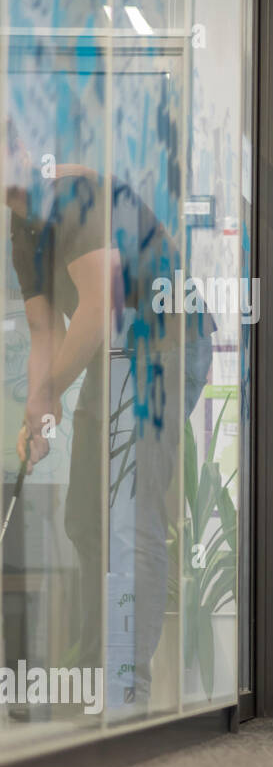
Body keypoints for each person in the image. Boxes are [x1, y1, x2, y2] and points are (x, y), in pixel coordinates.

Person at [7, 124, 213, 715]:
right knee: (85, 517)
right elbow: (47, 330)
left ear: (19, 149)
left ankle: (126, 689)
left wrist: (50, 391)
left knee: (129, 514)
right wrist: (37, 413)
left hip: (166, 342)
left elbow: (99, 308)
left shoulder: (74, 196)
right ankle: (99, 669)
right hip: (116, 355)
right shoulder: (21, 229)